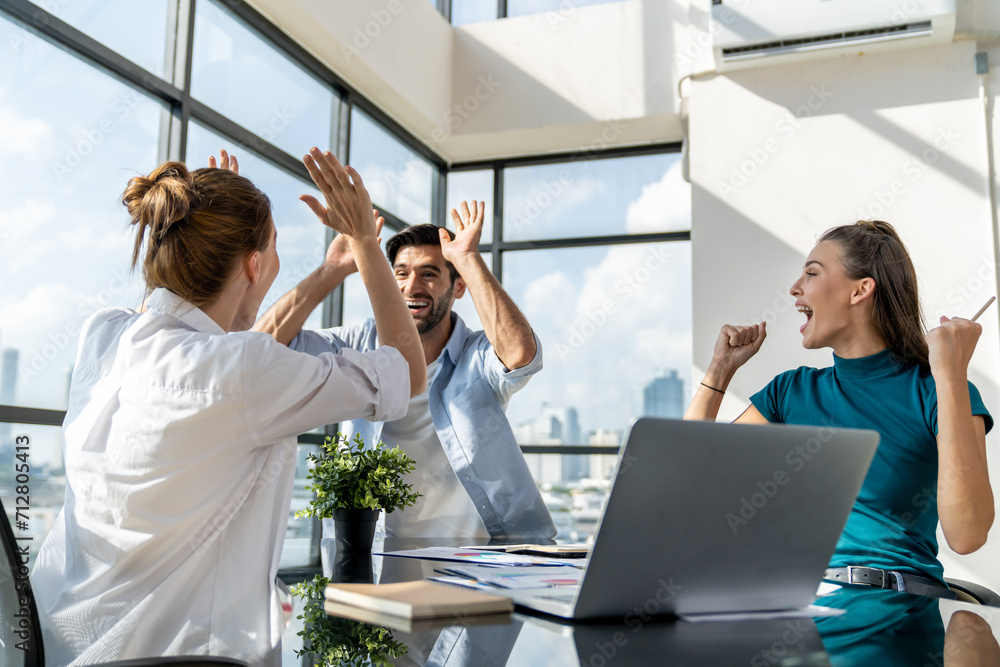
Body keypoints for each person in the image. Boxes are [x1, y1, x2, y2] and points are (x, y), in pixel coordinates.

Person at [31, 148, 426, 665]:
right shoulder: (243, 372)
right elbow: (407, 372)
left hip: (58, 646)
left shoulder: (102, 334)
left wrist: (218, 235)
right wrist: (368, 244)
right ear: (255, 265)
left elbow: (230, 346)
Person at [684, 220, 993, 593]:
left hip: (896, 607)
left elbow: (968, 536)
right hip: (799, 603)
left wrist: (949, 376)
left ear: (860, 291)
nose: (795, 289)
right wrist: (719, 370)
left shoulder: (938, 391)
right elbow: (692, 480)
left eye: (811, 273)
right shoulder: (790, 392)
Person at [256, 201, 555, 539]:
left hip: (473, 559)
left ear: (458, 287)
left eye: (429, 274)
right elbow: (261, 351)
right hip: (369, 553)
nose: (411, 286)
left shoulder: (476, 356)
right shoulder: (356, 342)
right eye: (401, 273)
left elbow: (520, 353)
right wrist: (333, 268)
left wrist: (468, 260)